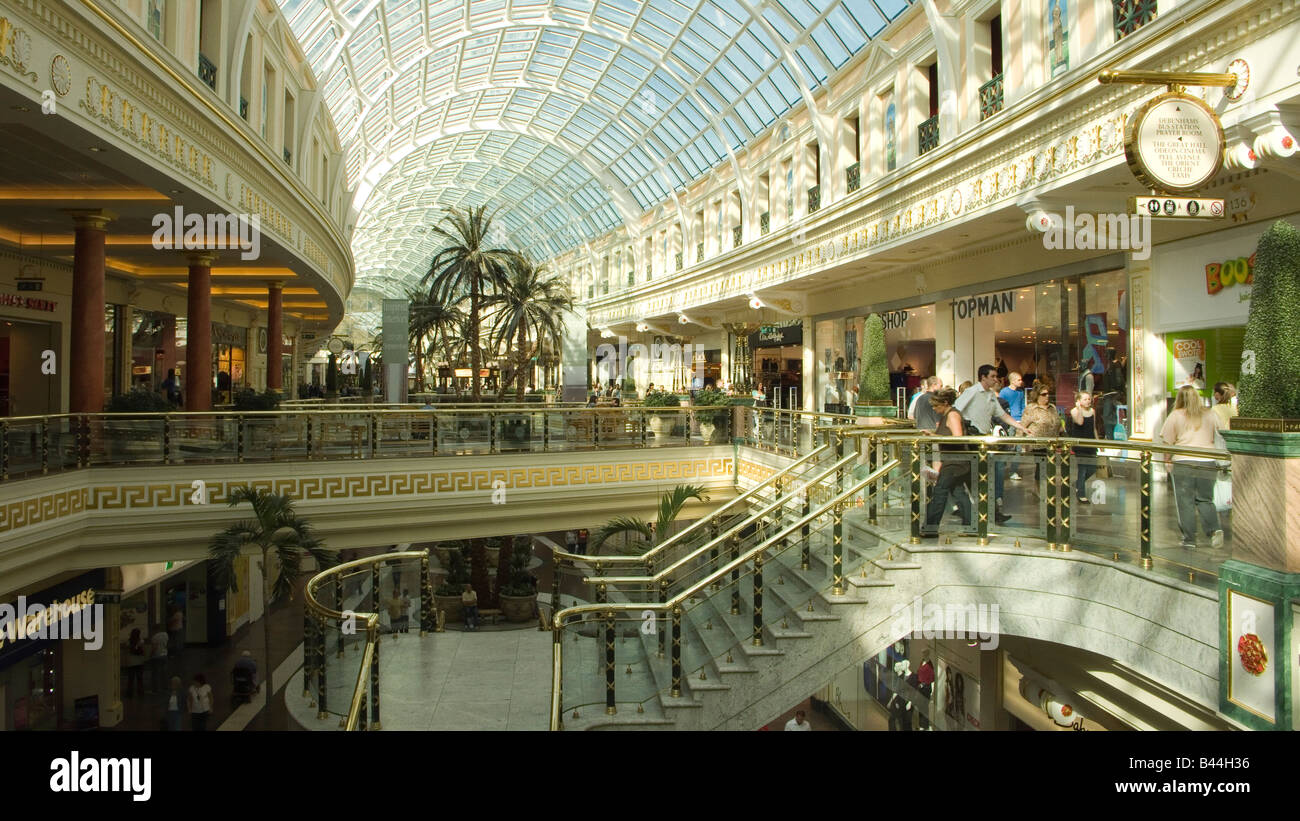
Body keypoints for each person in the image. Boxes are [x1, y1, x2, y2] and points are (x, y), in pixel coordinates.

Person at [954, 365, 1028, 523]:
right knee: (974, 479)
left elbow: (1002, 414)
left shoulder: (991, 395)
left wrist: (1021, 427)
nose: (996, 379)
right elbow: (955, 410)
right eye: (993, 376)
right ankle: (970, 511)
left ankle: (988, 513)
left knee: (982, 479)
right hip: (972, 442)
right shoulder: (972, 392)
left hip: (982, 441)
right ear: (983, 377)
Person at [1160, 385, 1226, 549]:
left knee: (1185, 501)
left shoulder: (1175, 415)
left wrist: (1167, 461)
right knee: (1205, 499)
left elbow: (1167, 442)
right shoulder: (1210, 413)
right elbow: (1223, 433)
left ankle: (1189, 539)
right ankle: (1214, 529)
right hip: (1208, 461)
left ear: (1179, 398)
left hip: (1183, 462)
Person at [921, 388, 972, 537]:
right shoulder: (946, 415)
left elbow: (957, 437)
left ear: (945, 403)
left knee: (940, 492)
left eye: (936, 406)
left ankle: (930, 529)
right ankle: (971, 526)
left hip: (955, 462)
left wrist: (934, 435)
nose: (934, 409)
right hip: (953, 461)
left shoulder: (953, 415)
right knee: (958, 493)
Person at [1022, 387, 1062, 487]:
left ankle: (1047, 489)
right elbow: (1022, 426)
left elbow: (1059, 423)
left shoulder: (1052, 407)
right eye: (1044, 394)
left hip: (1052, 443)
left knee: (1051, 467)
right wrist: (1021, 445)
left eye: (1048, 393)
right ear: (1037, 396)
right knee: (1042, 467)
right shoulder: (1031, 408)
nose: (1047, 396)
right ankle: (1039, 489)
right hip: (1038, 444)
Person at [1065, 391, 1099, 504]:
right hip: (1080, 444)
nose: (1088, 401)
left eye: (1089, 399)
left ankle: (1078, 484)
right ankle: (1081, 494)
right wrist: (1079, 409)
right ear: (1079, 401)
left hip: (1091, 443)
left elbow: (1094, 428)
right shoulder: (1074, 411)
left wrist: (1098, 442)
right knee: (1083, 469)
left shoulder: (1092, 411)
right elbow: (1080, 422)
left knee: (1092, 468)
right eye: (1085, 399)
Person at [124, 628, 147, 696]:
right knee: (140, 679)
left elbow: (126, 651)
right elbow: (144, 652)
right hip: (139, 662)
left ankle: (129, 693)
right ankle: (140, 693)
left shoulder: (128, 642)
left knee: (131, 679)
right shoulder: (141, 641)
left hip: (131, 662)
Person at [149, 625, 169, 694]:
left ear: (155, 630)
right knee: (164, 672)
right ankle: (165, 687)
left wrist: (150, 655)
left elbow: (154, 648)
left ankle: (156, 689)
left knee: (155, 673)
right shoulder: (165, 634)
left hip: (157, 656)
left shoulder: (155, 637)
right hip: (164, 655)